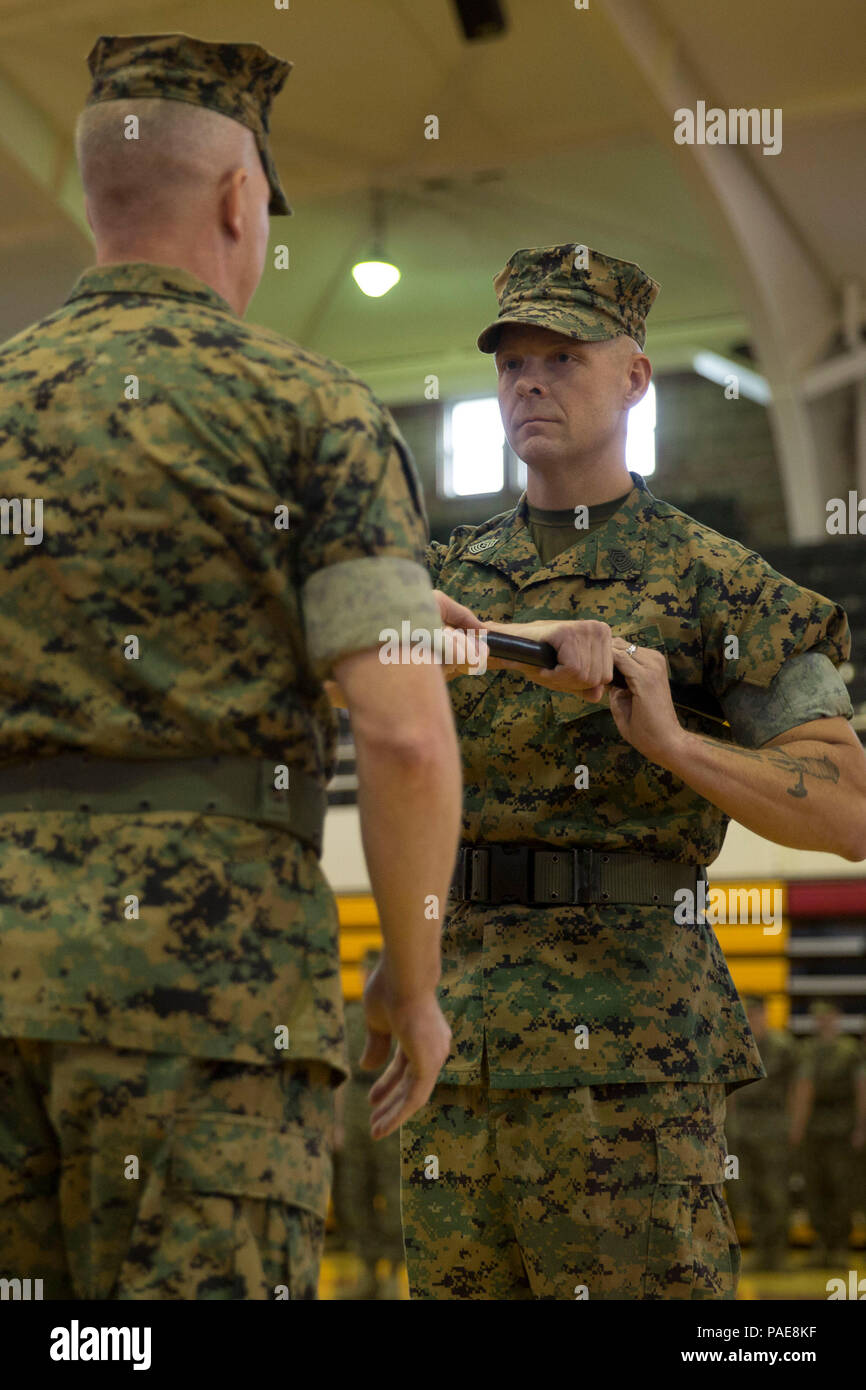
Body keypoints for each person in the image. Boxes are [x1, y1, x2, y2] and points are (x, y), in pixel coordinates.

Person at [0, 32, 464, 1300]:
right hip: (208, 1000)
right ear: (237, 196)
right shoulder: (305, 410)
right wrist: (410, 985)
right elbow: (408, 736)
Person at [393, 243, 866, 1300]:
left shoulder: (719, 585)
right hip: (457, 1045)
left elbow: (845, 811)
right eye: (512, 361)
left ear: (634, 376)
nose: (527, 382)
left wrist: (675, 744)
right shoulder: (440, 581)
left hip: (624, 1060)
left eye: (561, 356)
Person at [332, 950, 404, 1299]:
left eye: (373, 971)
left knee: (393, 1193)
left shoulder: (399, 1015)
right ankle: (366, 1269)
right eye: (364, 971)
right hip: (355, 1107)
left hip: (389, 1103)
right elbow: (340, 1076)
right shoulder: (348, 1017)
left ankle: (392, 1271)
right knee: (353, 1192)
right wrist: (337, 1124)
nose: (367, 977)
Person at [724, 997, 797, 1269]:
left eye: (755, 1013)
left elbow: (797, 1087)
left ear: (765, 1014)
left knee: (775, 1190)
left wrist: (794, 1125)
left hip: (773, 1125)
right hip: (743, 1126)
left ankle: (778, 1253)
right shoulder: (736, 1044)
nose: (751, 1018)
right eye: (747, 1013)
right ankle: (762, 1249)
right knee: (749, 1189)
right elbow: (729, 1089)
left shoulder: (783, 1046)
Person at [790, 1000, 861, 1265]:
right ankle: (820, 1244)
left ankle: (840, 1246)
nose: (824, 1022)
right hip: (814, 1126)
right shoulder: (807, 1050)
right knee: (814, 1187)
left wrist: (860, 1127)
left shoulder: (850, 1050)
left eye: (828, 1017)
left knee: (842, 1188)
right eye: (819, 1018)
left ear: (838, 1018)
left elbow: (861, 1089)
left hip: (842, 1126)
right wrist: (797, 1127)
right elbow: (800, 1090)